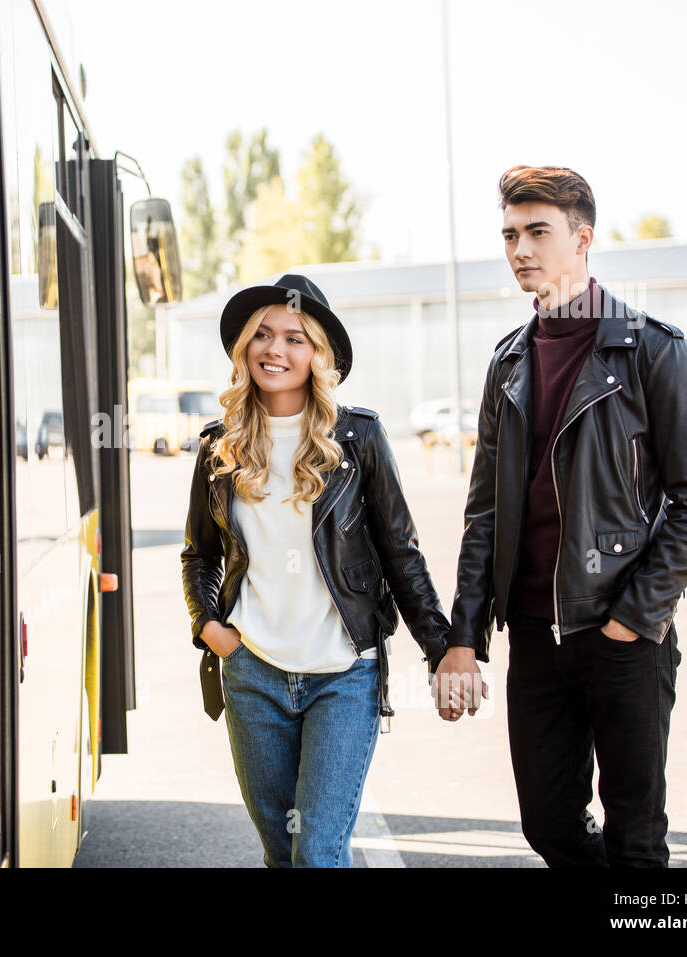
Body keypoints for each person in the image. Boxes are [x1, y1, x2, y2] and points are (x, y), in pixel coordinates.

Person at [437, 166, 687, 867]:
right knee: (549, 824)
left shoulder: (652, 347)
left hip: (623, 632)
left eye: (538, 231)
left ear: (583, 238)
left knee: (635, 832)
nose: (521, 248)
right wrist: (463, 634)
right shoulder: (507, 361)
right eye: (510, 234)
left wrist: (636, 615)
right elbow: (485, 511)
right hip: (535, 635)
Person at [181, 274, 449, 868]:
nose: (275, 350)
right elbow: (199, 553)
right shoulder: (219, 447)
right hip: (253, 673)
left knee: (319, 851)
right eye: (264, 335)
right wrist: (210, 627)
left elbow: (401, 550)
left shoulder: (357, 439)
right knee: (284, 851)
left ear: (319, 356)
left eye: (296, 339)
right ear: (245, 346)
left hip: (342, 675)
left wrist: (442, 648)